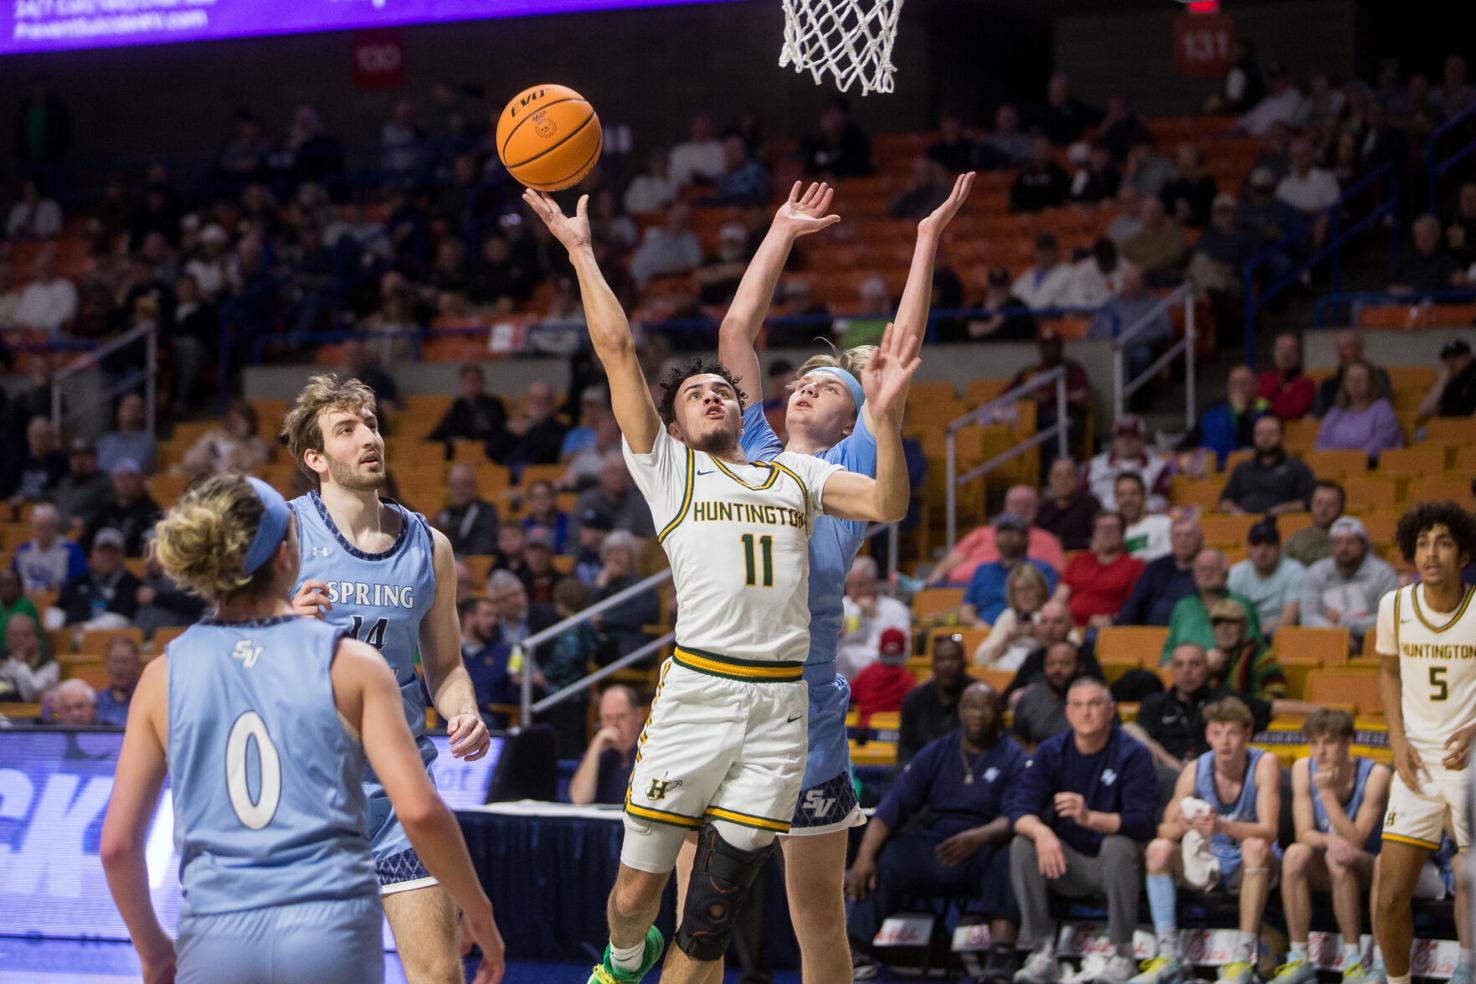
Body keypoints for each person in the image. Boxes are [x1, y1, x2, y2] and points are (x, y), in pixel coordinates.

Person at [523, 184, 913, 984]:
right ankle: (625, 962)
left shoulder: (795, 474)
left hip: (784, 710)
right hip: (699, 695)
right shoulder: (672, 473)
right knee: (637, 896)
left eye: (723, 388)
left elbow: (884, 501)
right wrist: (581, 251)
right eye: (695, 393)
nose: (713, 392)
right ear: (675, 427)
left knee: (712, 916)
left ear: (743, 409)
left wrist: (891, 415)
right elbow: (620, 351)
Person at [693, 173, 972, 984]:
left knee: (817, 922)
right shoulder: (753, 446)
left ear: (852, 418)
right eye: (799, 384)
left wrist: (925, 240)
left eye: (828, 386)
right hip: (726, 694)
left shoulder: (847, 469)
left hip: (805, 710)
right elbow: (737, 328)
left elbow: (901, 350)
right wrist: (781, 230)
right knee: (697, 911)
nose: (803, 386)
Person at [99, 473, 504, 984]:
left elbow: (115, 846)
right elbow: (421, 810)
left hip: (215, 933)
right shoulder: (350, 664)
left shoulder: (163, 673)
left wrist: (154, 950)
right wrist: (479, 909)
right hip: (326, 929)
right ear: (285, 557)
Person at [282, 374, 494, 983]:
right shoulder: (285, 533)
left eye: (370, 424)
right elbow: (230, 650)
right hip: (307, 792)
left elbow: (446, 666)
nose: (367, 437)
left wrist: (464, 711)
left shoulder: (431, 547)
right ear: (315, 458)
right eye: (345, 430)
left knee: (439, 974)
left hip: (400, 792)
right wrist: (282, 627)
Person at [847, 683, 1025, 980]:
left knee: (1009, 856)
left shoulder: (1013, 756)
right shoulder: (938, 751)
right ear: (960, 712)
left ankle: (1000, 959)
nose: (978, 715)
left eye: (985, 707)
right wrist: (864, 857)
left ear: (1000, 712)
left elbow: (1016, 816)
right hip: (937, 845)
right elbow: (893, 807)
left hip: (985, 845)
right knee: (888, 854)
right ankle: (855, 948)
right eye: (970, 707)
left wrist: (978, 837)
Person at [1372, 502, 1476, 984]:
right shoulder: (1394, 606)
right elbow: (1388, 671)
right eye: (1422, 543)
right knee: (1390, 895)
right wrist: (1397, 739)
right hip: (1416, 763)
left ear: (1464, 553)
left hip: (1470, 760)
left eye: (1444, 542)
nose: (1431, 553)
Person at [1009, 677, 1157, 984]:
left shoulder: (1132, 753)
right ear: (1067, 712)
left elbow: (1142, 823)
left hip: (1120, 869)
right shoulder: (1051, 751)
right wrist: (1042, 833)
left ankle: (1122, 953)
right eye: (1077, 705)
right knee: (1023, 844)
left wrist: (1090, 817)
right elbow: (1019, 812)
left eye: (1094, 704)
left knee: (1118, 845)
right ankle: (1041, 951)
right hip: (1068, 864)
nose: (1085, 712)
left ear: (1111, 710)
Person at [1131, 697, 1282, 984]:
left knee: (1255, 847)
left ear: (1247, 734)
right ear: (1207, 736)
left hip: (1253, 863)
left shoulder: (1264, 763)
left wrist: (1222, 826)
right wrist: (1183, 826)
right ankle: (1168, 956)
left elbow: (1268, 830)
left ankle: (1243, 958)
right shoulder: (1195, 770)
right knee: (1158, 850)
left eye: (1233, 733)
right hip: (1210, 861)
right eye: (1217, 733)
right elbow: (1163, 829)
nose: (1224, 742)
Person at [1272, 709, 1391, 984]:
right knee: (1294, 854)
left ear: (1349, 742)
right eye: (1314, 743)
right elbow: (1304, 833)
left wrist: (1326, 795)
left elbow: (1357, 839)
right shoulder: (1303, 768)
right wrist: (1330, 840)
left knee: (1341, 858)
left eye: (1329, 742)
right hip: (1327, 858)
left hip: (1367, 864)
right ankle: (1299, 957)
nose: (1320, 751)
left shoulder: (1375, 774)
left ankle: (1353, 961)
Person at [1128, 644, 1272, 775]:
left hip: (1215, 774)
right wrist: (1172, 764)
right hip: (1166, 774)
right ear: (1171, 668)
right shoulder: (1154, 703)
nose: (1186, 671)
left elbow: (1273, 708)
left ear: (1207, 668)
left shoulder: (1225, 699)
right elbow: (1141, 738)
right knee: (1130, 729)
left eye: (1194, 664)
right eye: (1179, 664)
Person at [929, 485, 1067, 585]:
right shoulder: (981, 532)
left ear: (1037, 508)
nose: (1022, 508)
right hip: (958, 588)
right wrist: (931, 583)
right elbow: (950, 561)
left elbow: (1061, 575)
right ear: (1006, 506)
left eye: (1028, 504)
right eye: (1016, 503)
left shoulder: (1047, 538)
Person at [1301, 516, 1399, 652]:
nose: (1343, 548)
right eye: (1337, 542)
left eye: (1350, 542)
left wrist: (1344, 622)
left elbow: (1389, 620)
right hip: (1328, 640)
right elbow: (1308, 618)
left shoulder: (1383, 573)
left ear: (1364, 545)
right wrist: (1340, 637)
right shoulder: (1316, 572)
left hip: (1373, 642)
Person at [1161, 553, 1264, 663]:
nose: (1207, 574)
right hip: (1185, 673)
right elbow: (1168, 650)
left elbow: (1253, 646)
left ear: (1226, 573)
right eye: (1202, 569)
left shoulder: (1242, 605)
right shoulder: (1182, 606)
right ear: (1194, 576)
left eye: (1212, 569)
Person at [964, 514, 1060, 626]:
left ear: (1026, 538)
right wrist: (977, 624)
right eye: (1003, 531)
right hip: (984, 631)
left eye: (1014, 531)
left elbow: (1051, 607)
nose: (1008, 536)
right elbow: (966, 608)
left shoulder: (1043, 570)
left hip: (1027, 630)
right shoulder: (982, 570)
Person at [1058, 511, 1145, 627]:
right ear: (1094, 534)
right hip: (1069, 626)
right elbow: (1060, 596)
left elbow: (1135, 607)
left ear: (1123, 533)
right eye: (1101, 528)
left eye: (1112, 528)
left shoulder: (1134, 565)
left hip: (1106, 629)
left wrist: (1114, 620)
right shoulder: (1078, 560)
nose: (1106, 533)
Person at [1218, 415, 1316, 515]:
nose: (1265, 438)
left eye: (1271, 433)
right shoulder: (1242, 468)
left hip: (1283, 523)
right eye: (1259, 433)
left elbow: (1308, 501)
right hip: (1243, 523)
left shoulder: (1297, 467)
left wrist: (1282, 510)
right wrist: (1234, 510)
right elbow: (1225, 500)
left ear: (1282, 436)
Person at [1119, 516, 1204, 628]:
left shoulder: (1207, 566)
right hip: (1150, 634)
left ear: (1200, 539)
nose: (1183, 540)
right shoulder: (1155, 567)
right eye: (1177, 536)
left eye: (1189, 535)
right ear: (1171, 540)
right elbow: (1136, 601)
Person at [837, 555, 912, 681]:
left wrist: (874, 616)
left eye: (861, 585)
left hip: (882, 670)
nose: (855, 591)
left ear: (874, 583)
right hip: (843, 670)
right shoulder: (841, 607)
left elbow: (904, 652)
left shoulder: (896, 609)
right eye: (850, 585)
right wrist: (836, 634)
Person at [570, 685, 647, 806]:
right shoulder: (599, 753)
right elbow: (579, 800)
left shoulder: (653, 748)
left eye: (621, 717)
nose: (614, 724)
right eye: (608, 718)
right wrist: (595, 748)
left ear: (638, 715)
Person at [1228, 518, 1304, 636]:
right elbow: (1228, 616)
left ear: (1280, 548)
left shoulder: (1294, 571)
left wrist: (1254, 634)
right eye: (1256, 544)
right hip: (1245, 640)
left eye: (1269, 544)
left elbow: (1289, 621)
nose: (1262, 551)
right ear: (1248, 548)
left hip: (1282, 639)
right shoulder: (1235, 573)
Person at [1316, 361, 1403, 461]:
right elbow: (1321, 444)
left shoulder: (1383, 409)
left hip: (1371, 467)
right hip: (1335, 465)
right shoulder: (1336, 412)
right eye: (1350, 379)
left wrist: (1351, 459)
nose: (1355, 384)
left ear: (1371, 383)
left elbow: (1381, 443)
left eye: (1360, 379)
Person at [1179, 365, 1262, 470]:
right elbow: (1188, 441)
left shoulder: (1264, 413)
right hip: (1204, 473)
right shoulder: (1212, 411)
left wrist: (1241, 415)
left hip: (1241, 475)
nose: (1239, 388)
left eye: (1245, 383)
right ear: (1229, 387)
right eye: (1235, 383)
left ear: (1255, 385)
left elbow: (1249, 446)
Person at [900, 636, 967, 765]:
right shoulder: (914, 701)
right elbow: (906, 750)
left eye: (953, 659)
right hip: (924, 773)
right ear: (933, 664)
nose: (947, 665)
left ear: (963, 663)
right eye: (941, 659)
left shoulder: (977, 698)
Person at [1086, 415, 1171, 513]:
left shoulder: (1158, 466)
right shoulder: (1095, 465)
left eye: (1132, 437)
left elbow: (1159, 502)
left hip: (1140, 520)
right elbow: (1082, 498)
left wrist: (1128, 512)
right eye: (1121, 437)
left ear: (1142, 439)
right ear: (1114, 440)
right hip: (1101, 520)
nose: (1126, 441)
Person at [59, 528, 142, 628]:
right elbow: (61, 606)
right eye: (102, 551)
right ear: (93, 554)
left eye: (113, 552)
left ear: (122, 555)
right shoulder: (78, 582)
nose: (107, 556)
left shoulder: (132, 584)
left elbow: (123, 618)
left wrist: (85, 627)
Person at [1010, 641, 1086, 749]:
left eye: (1065, 663)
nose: (1057, 669)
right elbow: (1019, 739)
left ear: (1079, 668)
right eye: (1051, 664)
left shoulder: (1095, 697)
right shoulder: (1029, 699)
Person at [84, 458, 162, 556]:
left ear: (140, 480)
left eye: (130, 477)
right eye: (120, 477)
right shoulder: (104, 511)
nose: (125, 482)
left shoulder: (151, 511)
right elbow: (85, 542)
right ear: (113, 482)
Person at [179, 399, 268, 480]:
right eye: (232, 420)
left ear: (250, 423)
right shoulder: (212, 437)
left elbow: (253, 465)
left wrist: (240, 449)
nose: (234, 425)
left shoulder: (256, 444)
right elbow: (189, 461)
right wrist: (204, 457)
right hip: (209, 485)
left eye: (239, 420)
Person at [428, 363, 510, 452]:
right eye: (467, 381)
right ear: (462, 384)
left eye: (475, 381)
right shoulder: (457, 406)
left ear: (482, 383)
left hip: (487, 452)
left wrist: (469, 441)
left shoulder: (495, 405)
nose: (471, 385)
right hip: (462, 453)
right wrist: (450, 439)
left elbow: (501, 432)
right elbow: (443, 429)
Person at [11, 502, 88, 594]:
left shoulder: (72, 550)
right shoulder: (22, 550)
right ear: (33, 527)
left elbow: (78, 584)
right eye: (40, 526)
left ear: (56, 526)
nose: (44, 531)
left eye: (48, 526)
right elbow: (13, 581)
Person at [1315, 330, 1394, 418]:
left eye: (1348, 346)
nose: (1342, 353)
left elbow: (1385, 408)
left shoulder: (1378, 376)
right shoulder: (1327, 386)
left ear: (1360, 348)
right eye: (1339, 347)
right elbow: (1319, 417)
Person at [851, 627, 916, 726]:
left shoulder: (866, 673)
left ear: (880, 648)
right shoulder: (908, 679)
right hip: (895, 733)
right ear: (903, 651)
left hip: (865, 734)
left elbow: (848, 695)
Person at [1388, 214, 1465, 295]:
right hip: (1408, 305)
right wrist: (1396, 289)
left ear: (1437, 235)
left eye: (1427, 235)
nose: (1423, 240)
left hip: (1439, 305)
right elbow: (1390, 286)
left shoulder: (1448, 260)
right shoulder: (1405, 259)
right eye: (1419, 236)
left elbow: (1456, 283)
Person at [433, 464, 500, 557]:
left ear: (474, 485)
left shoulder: (486, 512)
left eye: (465, 484)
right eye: (454, 485)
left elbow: (484, 547)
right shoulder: (443, 515)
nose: (459, 490)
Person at [1036, 457, 1099, 551]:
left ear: (1078, 479)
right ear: (1050, 480)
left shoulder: (1091, 506)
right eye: (1058, 475)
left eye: (1069, 475)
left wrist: (1064, 544)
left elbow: (1096, 541)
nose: (1063, 480)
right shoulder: (1043, 510)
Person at [52, 438, 112, 535]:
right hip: (59, 534)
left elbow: (109, 509)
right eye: (75, 456)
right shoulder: (65, 482)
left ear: (95, 458)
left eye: (85, 455)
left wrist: (87, 519)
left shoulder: (104, 481)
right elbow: (50, 496)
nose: (80, 461)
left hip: (88, 535)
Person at [1284, 480, 1346, 567]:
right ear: (1311, 505)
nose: (1323, 509)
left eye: (1330, 504)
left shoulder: (1352, 541)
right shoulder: (1296, 539)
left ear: (1341, 508)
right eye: (1318, 503)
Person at [1256, 333, 1316, 422]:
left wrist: (1270, 407)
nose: (1286, 354)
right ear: (1273, 353)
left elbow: (1295, 411)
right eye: (1281, 349)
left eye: (1291, 350)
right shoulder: (1262, 381)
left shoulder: (1306, 384)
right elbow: (1258, 408)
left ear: (1298, 356)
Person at [1416, 338, 1476, 423]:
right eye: (1447, 358)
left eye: (1455, 358)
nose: (1450, 363)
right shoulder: (1451, 380)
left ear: (1468, 357)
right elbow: (1424, 411)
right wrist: (1442, 381)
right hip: (1452, 430)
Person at [1117, 472, 1173, 562]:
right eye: (1122, 495)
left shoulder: (1164, 524)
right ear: (1116, 499)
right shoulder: (1113, 533)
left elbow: (1170, 560)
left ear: (1144, 497)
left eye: (1133, 493)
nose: (1128, 499)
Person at [0, 613, 56, 702]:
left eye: (26, 634)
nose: (19, 639)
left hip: (32, 714)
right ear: (6, 637)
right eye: (13, 634)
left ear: (36, 638)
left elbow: (29, 695)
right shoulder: (2, 657)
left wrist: (20, 663)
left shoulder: (48, 664)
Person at [1010, 232, 1073, 311]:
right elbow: (1013, 297)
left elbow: (1070, 302)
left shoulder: (1068, 272)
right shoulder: (1027, 275)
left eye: (1049, 250)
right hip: (1027, 320)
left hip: (1054, 320)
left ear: (1056, 252)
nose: (1044, 254)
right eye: (1041, 250)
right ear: (1035, 252)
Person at [94, 636, 142, 726]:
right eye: (115, 661)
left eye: (125, 661)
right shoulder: (96, 702)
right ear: (106, 664)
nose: (119, 667)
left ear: (136, 663)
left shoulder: (147, 700)